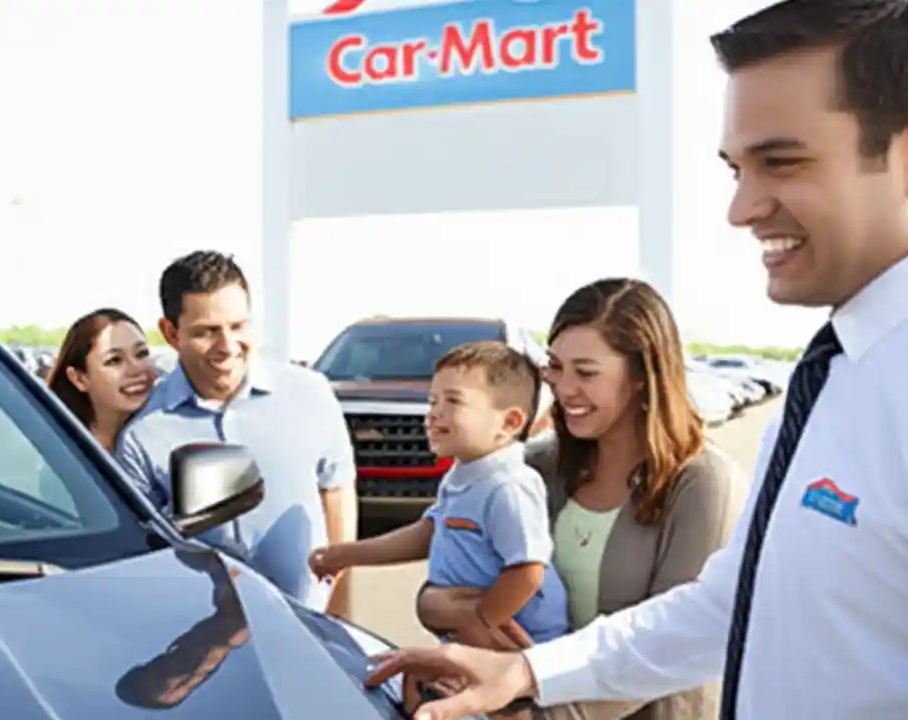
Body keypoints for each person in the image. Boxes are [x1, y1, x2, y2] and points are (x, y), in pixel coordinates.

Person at [365, 2, 908, 718]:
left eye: (782, 162)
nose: (741, 208)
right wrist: (526, 672)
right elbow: (732, 605)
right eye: (736, 168)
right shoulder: (835, 372)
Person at [412, 279, 741, 720]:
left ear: (643, 377)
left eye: (585, 373)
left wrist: (533, 713)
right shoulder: (532, 467)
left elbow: (673, 643)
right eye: (555, 367)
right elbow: (447, 556)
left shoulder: (702, 485)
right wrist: (434, 608)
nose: (563, 389)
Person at [115, 250, 358, 615]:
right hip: (199, 634)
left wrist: (341, 615)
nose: (227, 346)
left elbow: (336, 495)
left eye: (238, 326)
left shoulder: (310, 393)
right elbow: (140, 553)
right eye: (206, 332)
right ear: (170, 333)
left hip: (309, 627)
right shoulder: (143, 433)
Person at [309, 341, 570, 651]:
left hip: (523, 645)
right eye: (433, 402)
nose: (434, 414)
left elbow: (527, 572)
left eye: (453, 402)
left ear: (509, 422)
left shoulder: (509, 486)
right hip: (473, 633)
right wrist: (346, 555)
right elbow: (429, 533)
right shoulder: (462, 477)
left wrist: (479, 623)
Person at [47, 308, 158, 452]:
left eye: (142, 353)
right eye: (114, 360)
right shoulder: (64, 452)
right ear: (79, 379)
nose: (136, 369)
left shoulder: (169, 435)